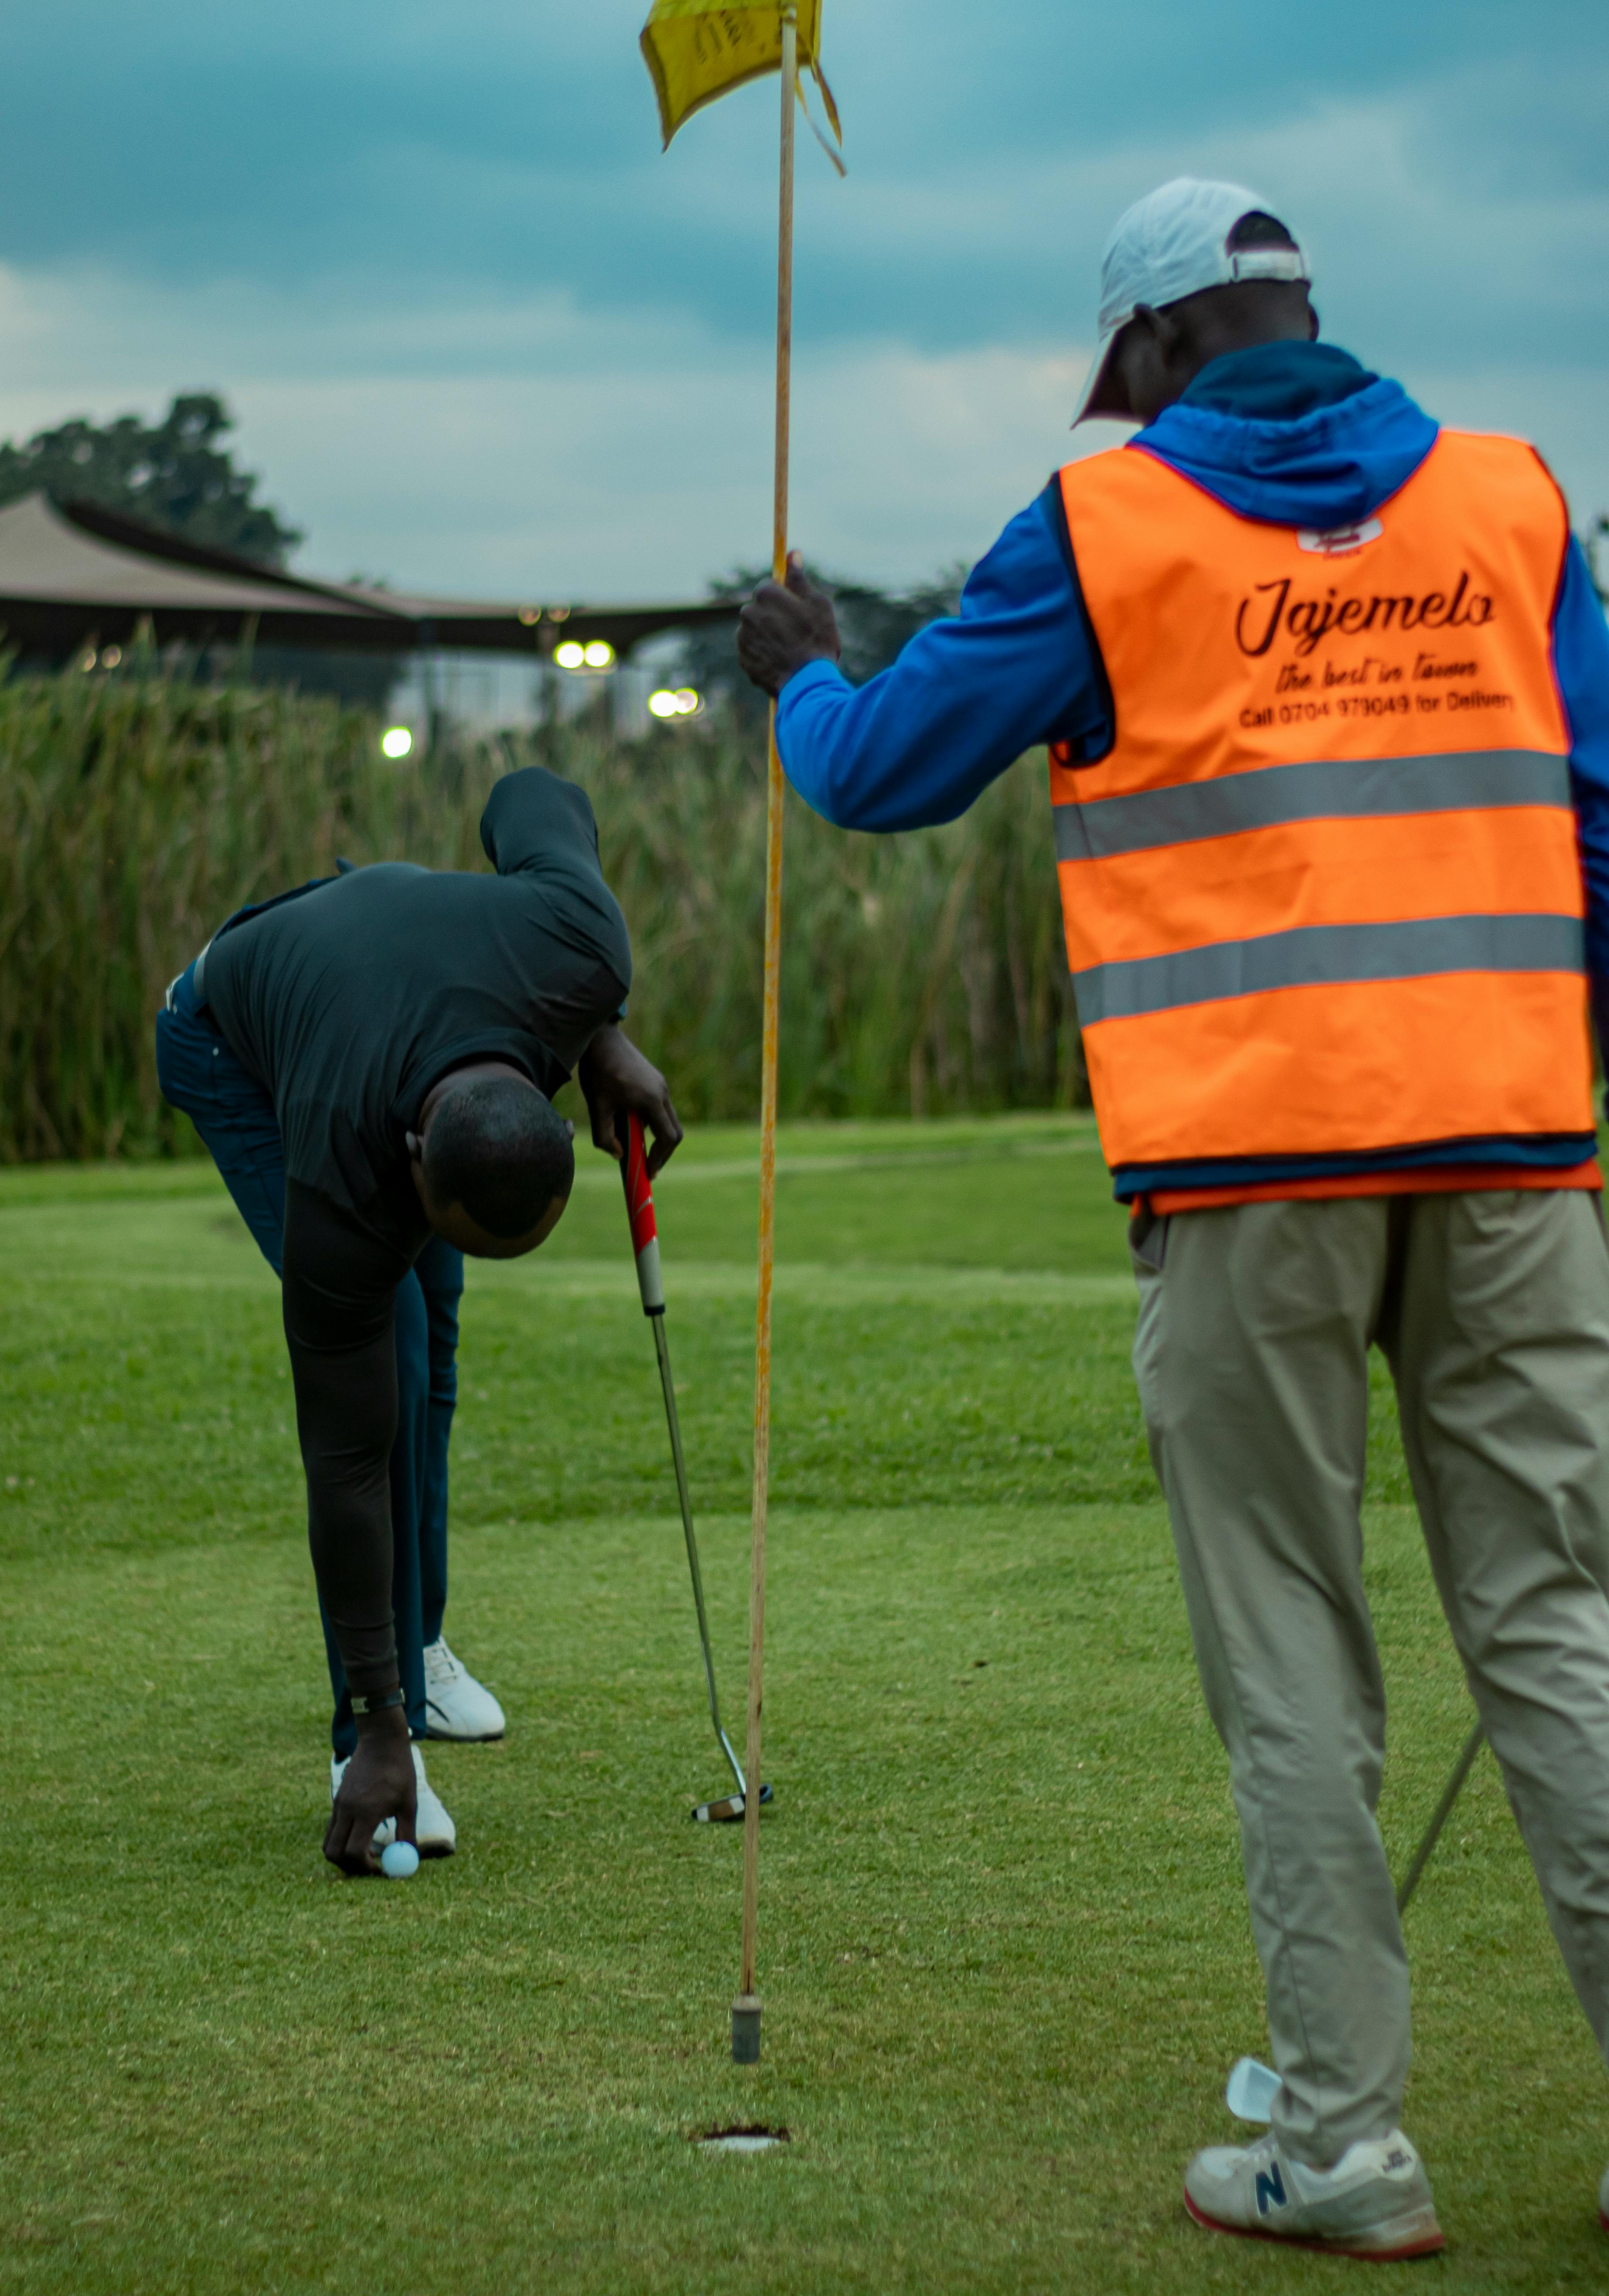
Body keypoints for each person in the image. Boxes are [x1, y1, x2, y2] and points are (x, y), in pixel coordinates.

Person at [736, 175, 1609, 2260]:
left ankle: (1343, 2143)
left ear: (1139, 353)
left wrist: (796, 671)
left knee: (1292, 1659)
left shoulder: (1104, 523)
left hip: (1246, 1171)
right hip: (1512, 1145)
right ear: (1298, 309)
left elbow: (873, 770)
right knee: (1555, 1627)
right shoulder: (1507, 499)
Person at [155, 765, 680, 1874]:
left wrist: (601, 1037)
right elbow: (342, 1461)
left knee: (434, 1344)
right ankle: (377, 1734)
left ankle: (420, 1651)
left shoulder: (580, 950)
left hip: (400, 1001)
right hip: (231, 1033)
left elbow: (532, 790)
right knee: (381, 1354)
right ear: (407, 1167)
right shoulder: (348, 1158)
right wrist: (376, 1731)